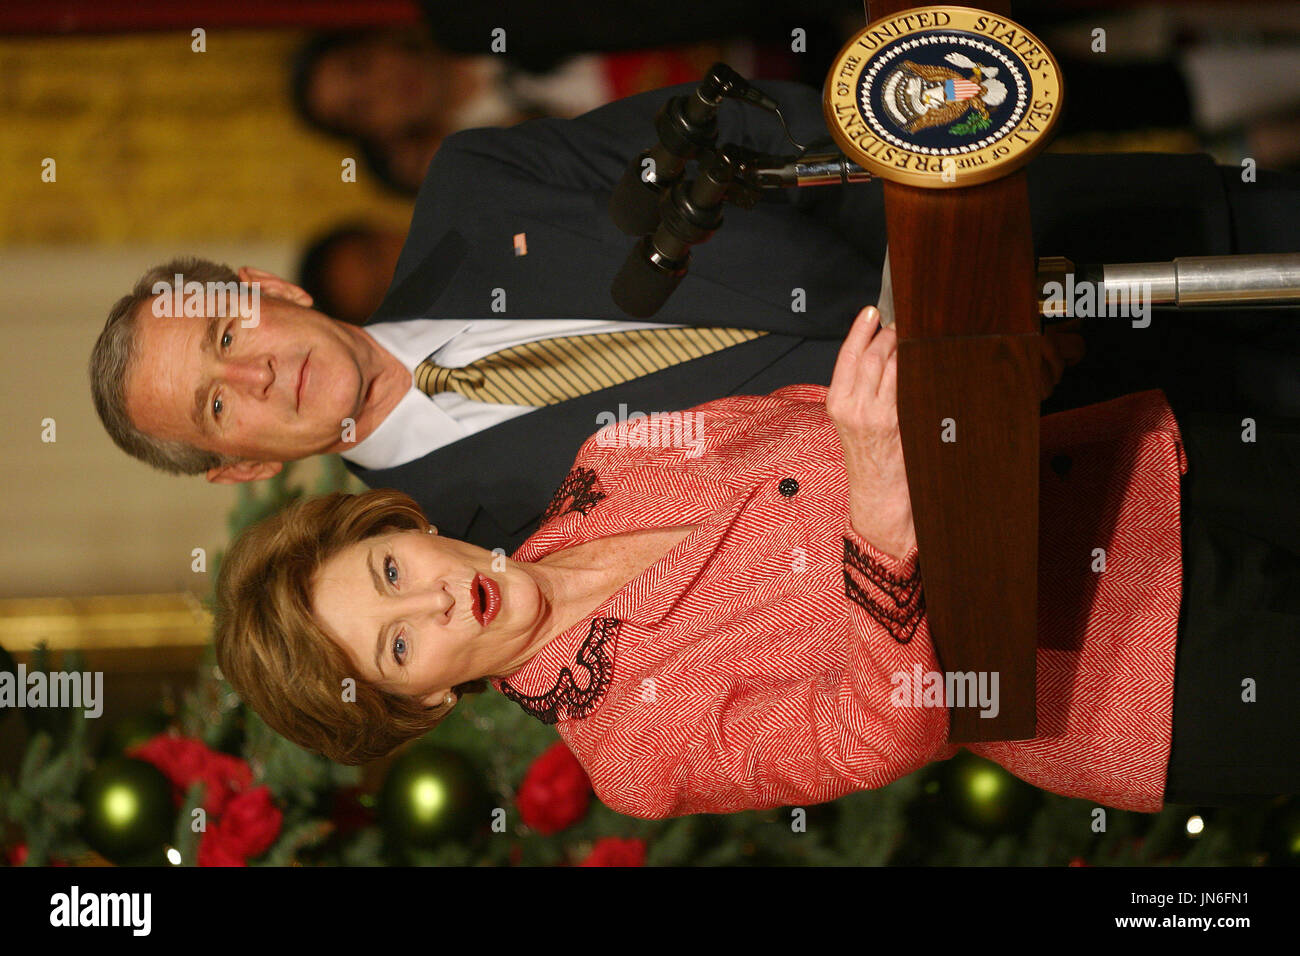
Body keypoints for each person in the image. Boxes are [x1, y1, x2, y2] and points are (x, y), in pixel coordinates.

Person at [90, 80, 1296, 554]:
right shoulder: (467, 548)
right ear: (230, 469)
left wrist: (933, 219)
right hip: (1075, 482)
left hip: (1049, 236)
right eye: (214, 406)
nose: (253, 379)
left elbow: (749, 124)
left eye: (225, 339)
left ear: (269, 295)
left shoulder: (474, 187)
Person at [212, 305, 1300, 817]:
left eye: (392, 570)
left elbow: (847, 413)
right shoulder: (632, 752)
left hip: (1149, 465)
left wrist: (995, 371)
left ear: (399, 526)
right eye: (401, 642)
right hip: (1152, 676)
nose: (441, 596)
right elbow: (884, 728)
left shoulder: (617, 451)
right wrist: (879, 516)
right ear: (429, 695)